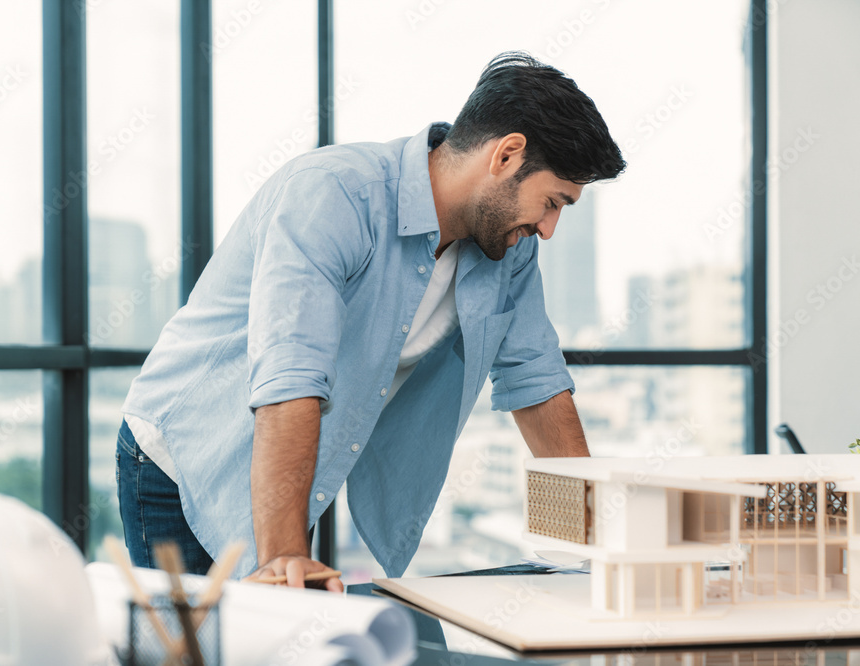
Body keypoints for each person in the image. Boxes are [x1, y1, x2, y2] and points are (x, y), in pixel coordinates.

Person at [116, 51, 625, 592]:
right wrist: (286, 556)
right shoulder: (334, 195)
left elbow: (537, 382)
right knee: (201, 648)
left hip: (285, 467)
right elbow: (291, 374)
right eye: (552, 202)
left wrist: (596, 550)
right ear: (506, 155)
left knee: (273, 632)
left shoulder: (507, 248)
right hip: (187, 453)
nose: (548, 229)